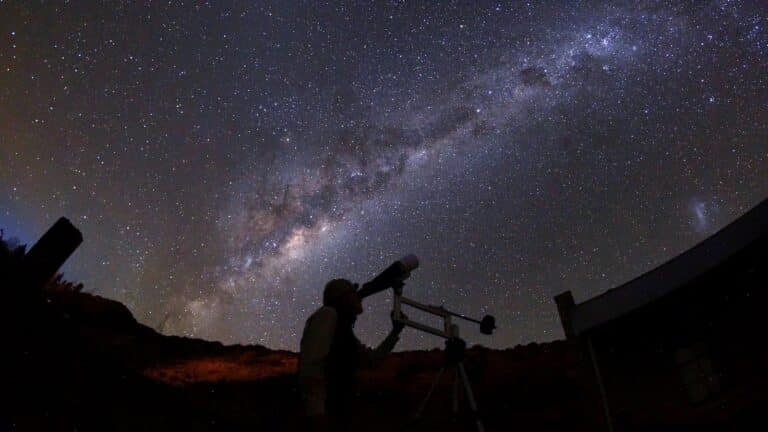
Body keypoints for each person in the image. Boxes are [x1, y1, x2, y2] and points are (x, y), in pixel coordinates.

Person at [299, 278, 406, 431]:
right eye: (353, 292)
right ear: (342, 298)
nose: (358, 296)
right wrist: (316, 412)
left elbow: (371, 360)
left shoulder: (344, 330)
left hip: (339, 410)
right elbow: (312, 365)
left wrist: (395, 332)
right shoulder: (328, 315)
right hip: (326, 413)